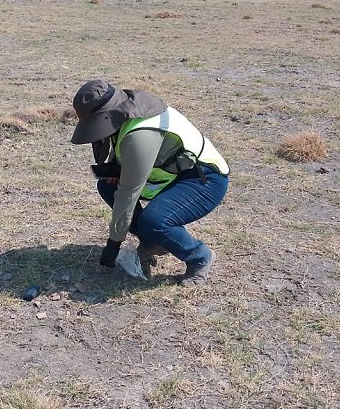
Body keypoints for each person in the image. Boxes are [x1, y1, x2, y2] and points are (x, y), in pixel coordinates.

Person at [70, 80, 229, 286]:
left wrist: (112, 246)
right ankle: (153, 241)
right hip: (172, 175)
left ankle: (199, 257)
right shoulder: (127, 113)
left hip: (204, 179)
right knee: (107, 186)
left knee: (154, 221)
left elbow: (128, 194)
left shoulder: (139, 135)